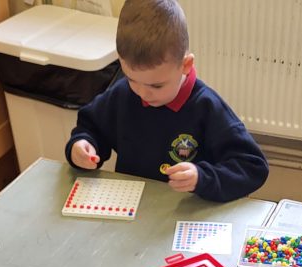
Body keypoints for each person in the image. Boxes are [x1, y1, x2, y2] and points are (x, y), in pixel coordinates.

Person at [66, 0, 269, 203]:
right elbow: (91, 127)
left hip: (187, 218)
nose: (143, 93)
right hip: (135, 213)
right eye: (131, 79)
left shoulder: (206, 107)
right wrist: (82, 146)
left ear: (186, 65)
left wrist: (202, 178)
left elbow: (253, 167)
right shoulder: (123, 93)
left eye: (156, 86)